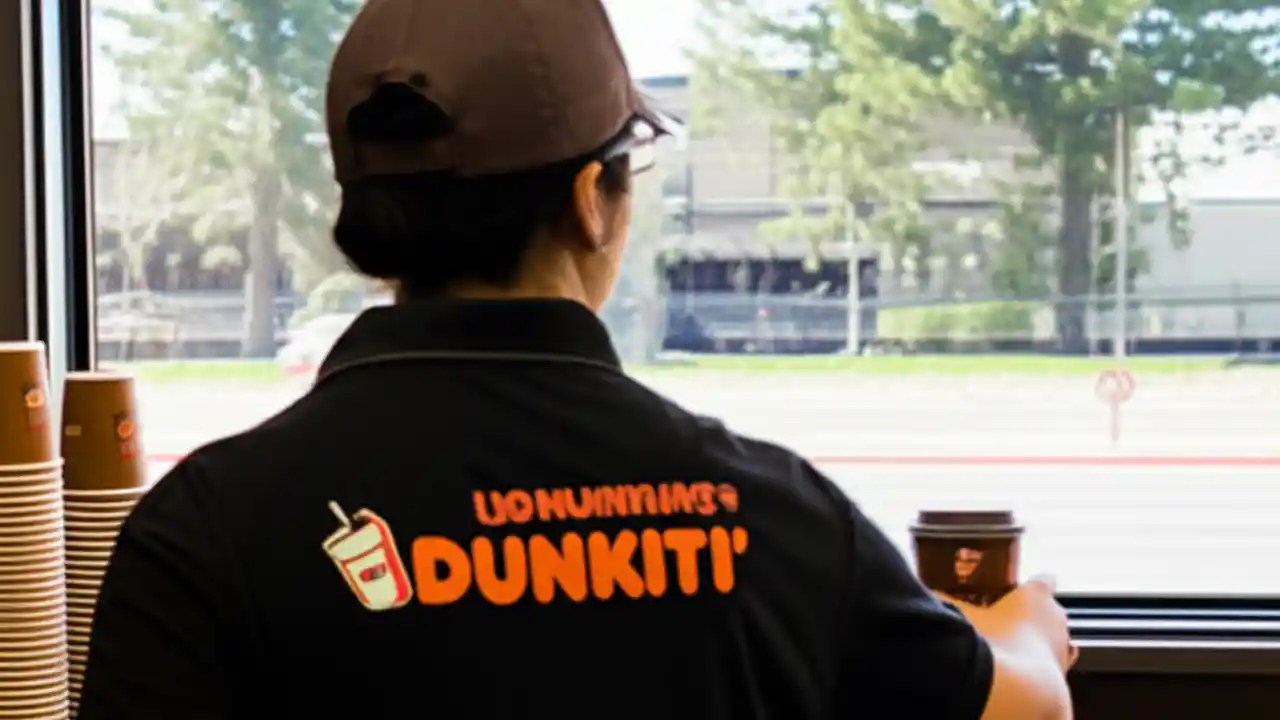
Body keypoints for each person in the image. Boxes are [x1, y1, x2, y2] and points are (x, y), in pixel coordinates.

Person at [78, 1, 1074, 718]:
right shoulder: (767, 517)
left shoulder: (202, 537)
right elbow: (1023, 710)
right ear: (592, 199)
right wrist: (1025, 627)